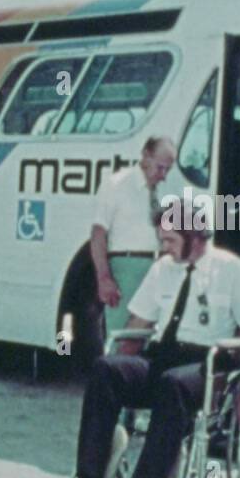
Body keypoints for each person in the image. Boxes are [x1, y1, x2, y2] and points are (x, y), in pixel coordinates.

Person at [59, 200, 240, 478]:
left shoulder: (231, 269)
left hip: (206, 363)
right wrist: (120, 371)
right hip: (162, 356)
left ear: (195, 237)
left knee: (172, 386)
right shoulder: (163, 269)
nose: (164, 247)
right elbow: (137, 326)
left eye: (170, 240)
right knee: (104, 369)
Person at [91, 136, 176, 335]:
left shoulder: (165, 190)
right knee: (122, 333)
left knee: (152, 335)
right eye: (160, 167)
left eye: (168, 170)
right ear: (145, 156)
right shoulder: (116, 184)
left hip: (160, 269)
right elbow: (98, 234)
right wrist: (103, 278)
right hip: (126, 270)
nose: (163, 175)